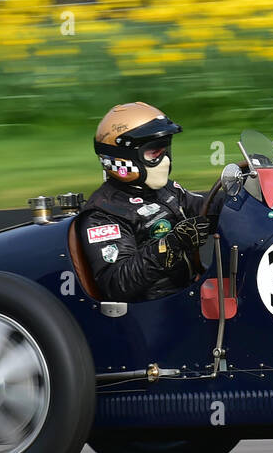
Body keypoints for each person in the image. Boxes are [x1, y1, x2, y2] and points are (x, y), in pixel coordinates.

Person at [77, 103, 213, 303]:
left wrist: (244, 191)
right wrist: (170, 245)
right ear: (122, 159)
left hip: (189, 292)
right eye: (154, 154)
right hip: (157, 310)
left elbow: (207, 209)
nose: (165, 160)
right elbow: (117, 283)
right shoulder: (103, 213)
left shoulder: (165, 190)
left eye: (165, 150)